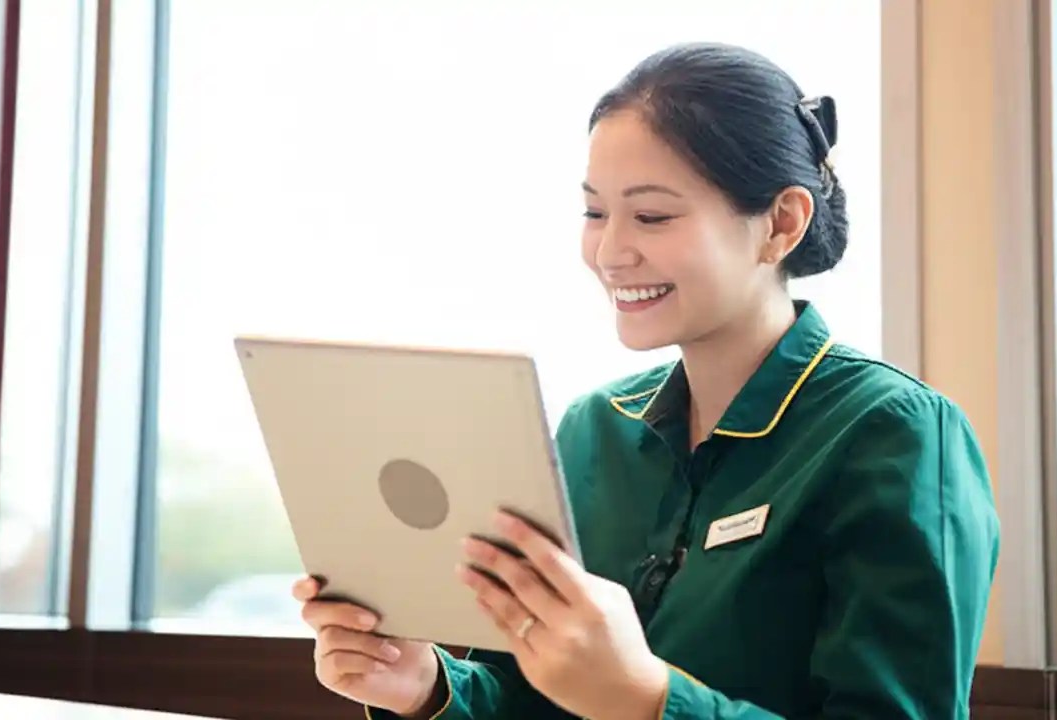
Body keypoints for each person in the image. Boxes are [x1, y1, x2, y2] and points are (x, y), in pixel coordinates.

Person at [292, 42, 999, 719]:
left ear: (780, 223)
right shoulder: (592, 428)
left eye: (652, 215)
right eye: (595, 212)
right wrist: (426, 686)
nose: (610, 251)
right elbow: (530, 703)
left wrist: (644, 700)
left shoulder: (894, 435)